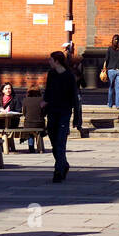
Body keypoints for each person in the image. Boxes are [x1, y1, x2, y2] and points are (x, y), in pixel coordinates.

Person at [42, 49, 79, 182]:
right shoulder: (51, 74)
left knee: (60, 143)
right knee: (53, 142)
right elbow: (48, 91)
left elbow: (75, 97)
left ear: (56, 61)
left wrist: (77, 118)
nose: (49, 62)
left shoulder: (69, 76)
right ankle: (64, 164)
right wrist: (44, 102)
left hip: (64, 112)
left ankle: (58, 172)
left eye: (51, 60)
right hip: (52, 111)